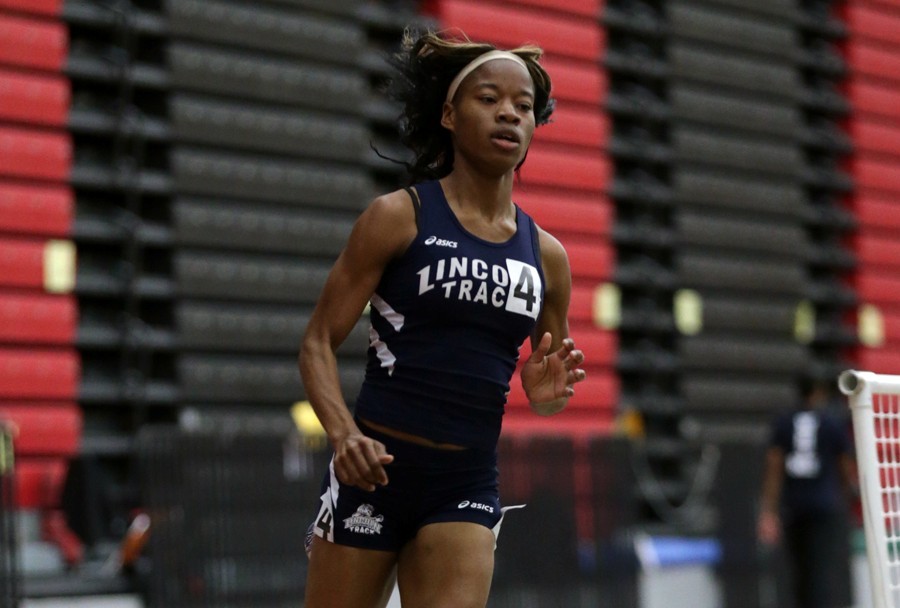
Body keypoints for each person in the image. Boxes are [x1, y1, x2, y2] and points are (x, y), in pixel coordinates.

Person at [298, 29, 586, 608]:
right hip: (374, 471)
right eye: (489, 99)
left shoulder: (546, 256)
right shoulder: (397, 217)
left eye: (524, 106)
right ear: (450, 114)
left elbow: (550, 392)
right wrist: (342, 434)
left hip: (465, 482)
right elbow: (317, 344)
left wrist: (546, 392)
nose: (508, 114)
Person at [757, 378, 856, 608]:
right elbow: (845, 464)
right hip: (824, 505)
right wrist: (846, 493)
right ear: (819, 392)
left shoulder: (783, 422)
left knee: (799, 573)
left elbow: (774, 466)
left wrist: (768, 511)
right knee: (820, 572)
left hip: (794, 506)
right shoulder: (831, 422)